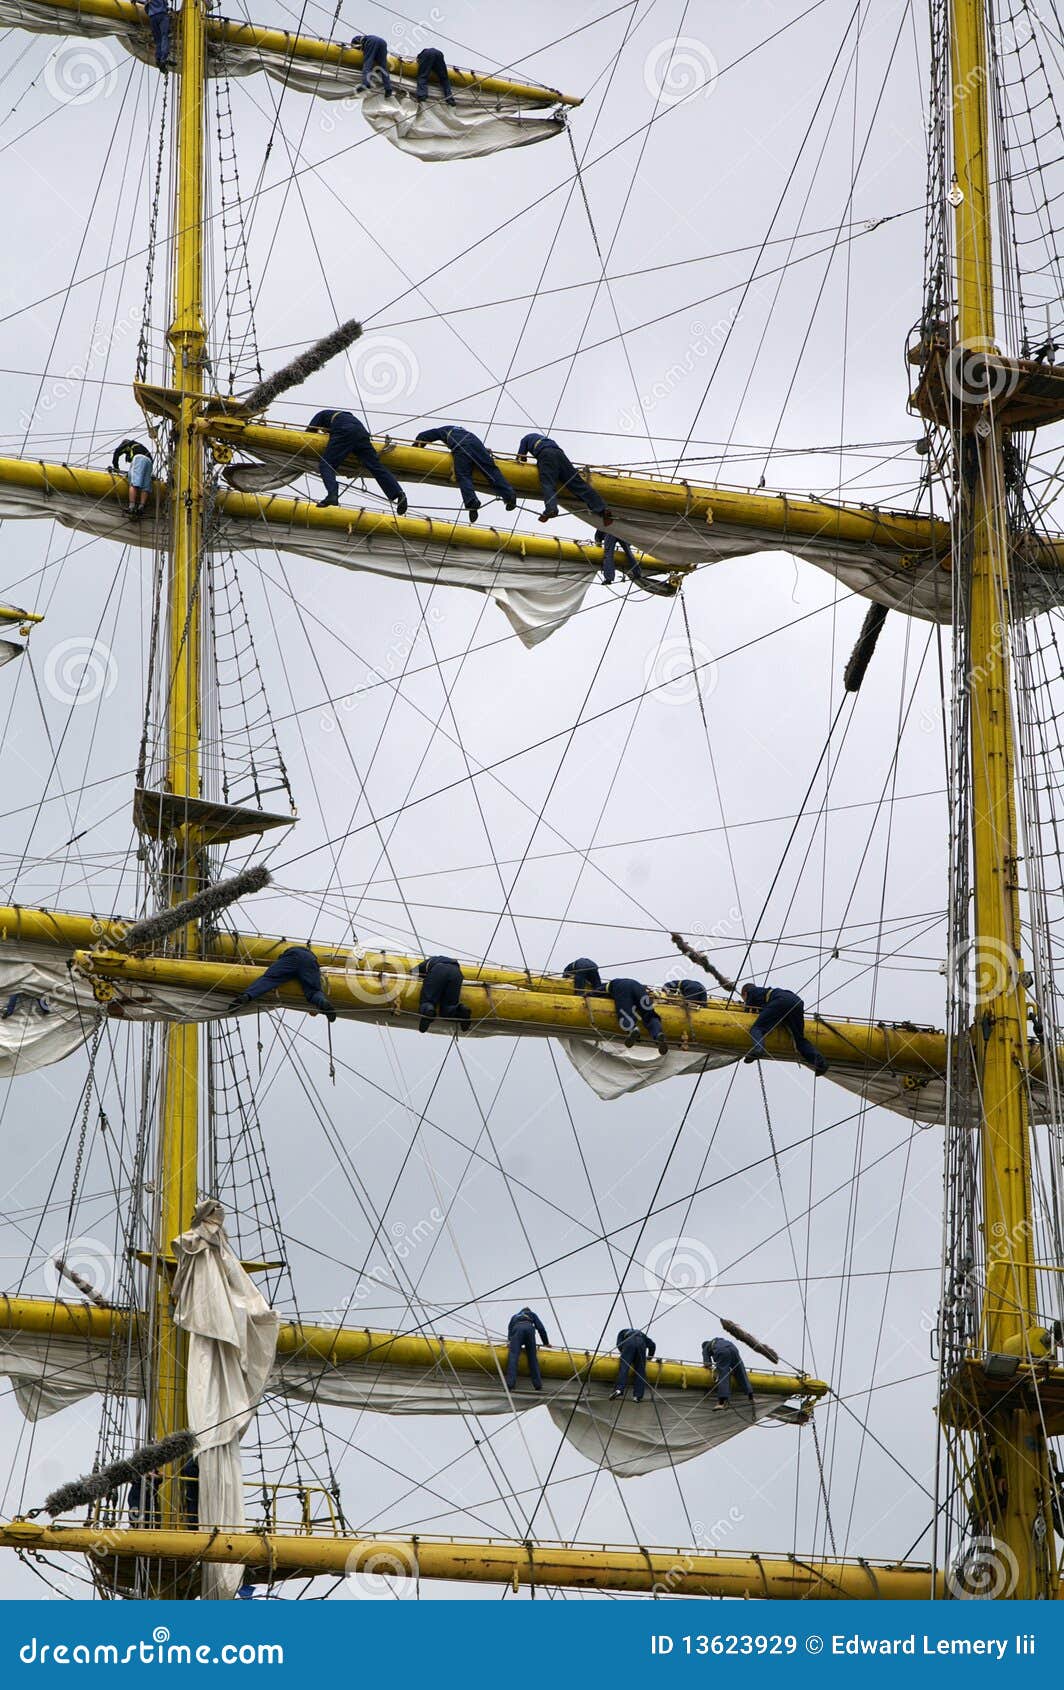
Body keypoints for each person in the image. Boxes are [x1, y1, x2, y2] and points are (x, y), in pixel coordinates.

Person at [308, 409, 407, 513]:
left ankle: (332, 495)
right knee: (376, 467)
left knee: (327, 465)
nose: (325, 432)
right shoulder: (346, 417)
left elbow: (309, 434)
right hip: (361, 433)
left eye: (324, 431)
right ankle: (399, 493)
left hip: (344, 431)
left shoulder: (322, 414)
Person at [413, 424, 517, 522]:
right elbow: (472, 443)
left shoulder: (442, 430)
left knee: (463, 475)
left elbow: (423, 435)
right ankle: (509, 496)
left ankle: (472, 502)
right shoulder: (464, 432)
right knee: (491, 471)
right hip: (478, 446)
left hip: (462, 447)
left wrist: (416, 447)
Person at [515, 433, 613, 525]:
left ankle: (551, 509)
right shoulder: (545, 439)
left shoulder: (525, 439)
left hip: (545, 454)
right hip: (560, 454)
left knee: (548, 484)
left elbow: (521, 458)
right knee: (578, 484)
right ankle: (602, 509)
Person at [230, 946, 336, 1023]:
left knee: (270, 979)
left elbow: (273, 975)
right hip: (310, 960)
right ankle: (323, 1002)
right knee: (313, 990)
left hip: (291, 956)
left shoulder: (285, 956)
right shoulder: (309, 955)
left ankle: (247, 996)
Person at [740, 983, 828, 1075]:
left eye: (744, 998)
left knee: (757, 1028)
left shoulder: (751, 991)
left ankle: (758, 1049)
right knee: (799, 1040)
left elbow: (747, 1011)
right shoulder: (764, 992)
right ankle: (821, 1064)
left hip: (780, 1002)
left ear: (745, 994)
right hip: (796, 1002)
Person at [609, 977, 668, 1055]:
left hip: (622, 987)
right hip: (639, 987)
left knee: (625, 1013)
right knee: (649, 1014)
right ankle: (658, 1034)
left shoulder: (609, 985)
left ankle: (632, 1029)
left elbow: (597, 992)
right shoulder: (632, 982)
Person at [416, 955, 471, 1033]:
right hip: (457, 972)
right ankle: (461, 1010)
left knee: (427, 1001)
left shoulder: (426, 963)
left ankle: (428, 1011)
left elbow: (413, 972)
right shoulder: (441, 960)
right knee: (448, 1008)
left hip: (439, 970)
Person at [702, 1334, 755, 1411]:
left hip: (722, 1351)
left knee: (723, 1374)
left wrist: (706, 1366)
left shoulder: (706, 1347)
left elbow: (707, 1364)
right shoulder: (720, 1340)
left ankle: (721, 1402)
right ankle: (751, 1396)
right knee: (740, 1371)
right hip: (733, 1348)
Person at [505, 1306, 549, 1390]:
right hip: (529, 1329)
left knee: (513, 1357)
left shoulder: (514, 1316)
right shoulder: (532, 1314)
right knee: (532, 1358)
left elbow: (510, 1331)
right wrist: (546, 1343)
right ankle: (538, 1385)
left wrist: (510, 1342)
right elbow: (541, 1328)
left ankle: (510, 1384)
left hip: (517, 1330)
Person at [112, 439, 154, 518]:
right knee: (145, 487)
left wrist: (116, 468)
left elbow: (117, 452)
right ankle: (141, 507)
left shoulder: (128, 444)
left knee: (134, 483)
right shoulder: (141, 447)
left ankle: (131, 506)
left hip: (139, 458)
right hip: (149, 462)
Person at [611, 1327, 655, 1402]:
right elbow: (652, 1345)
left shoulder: (622, 1332)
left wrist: (625, 1353)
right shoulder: (642, 1335)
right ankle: (637, 1396)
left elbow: (619, 1344)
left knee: (624, 1368)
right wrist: (649, 1358)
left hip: (629, 1342)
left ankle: (619, 1389)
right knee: (640, 1371)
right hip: (641, 1344)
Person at [139, 0, 170, 69]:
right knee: (164, 36)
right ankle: (163, 58)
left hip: (153, 18)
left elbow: (145, 2)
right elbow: (165, 3)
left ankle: (158, 58)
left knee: (158, 40)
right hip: (162, 16)